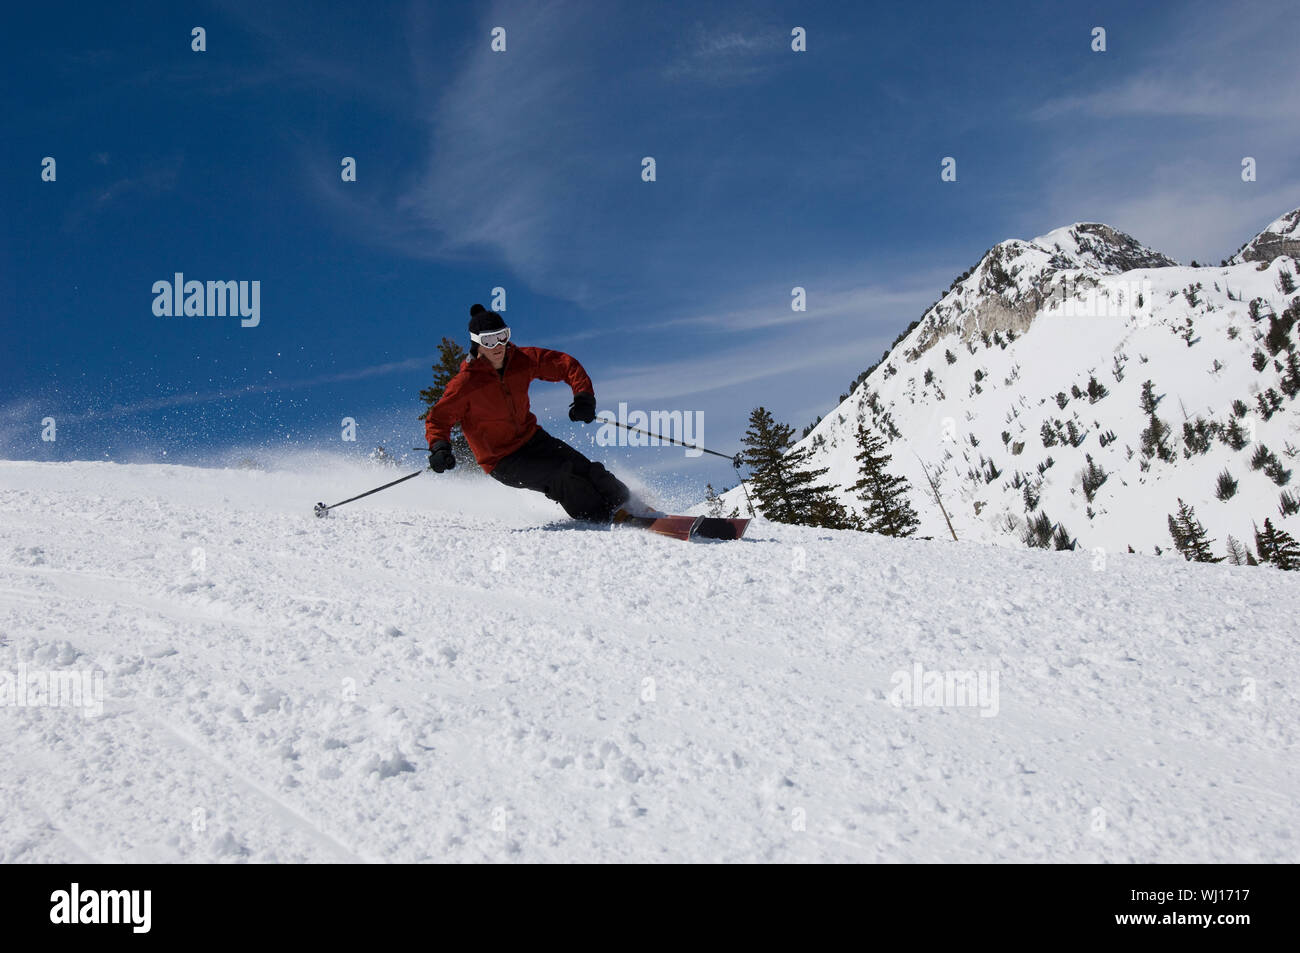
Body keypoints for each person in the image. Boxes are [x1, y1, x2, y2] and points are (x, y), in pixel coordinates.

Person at [424, 304, 633, 522]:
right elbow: (438, 419)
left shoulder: (521, 360)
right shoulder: (466, 384)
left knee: (587, 469)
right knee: (561, 477)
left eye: (502, 337)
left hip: (533, 439)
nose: (498, 346)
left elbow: (566, 365)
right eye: (489, 341)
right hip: (501, 459)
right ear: (476, 344)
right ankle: (601, 517)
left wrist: (583, 398)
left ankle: (627, 502)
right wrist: (439, 448)